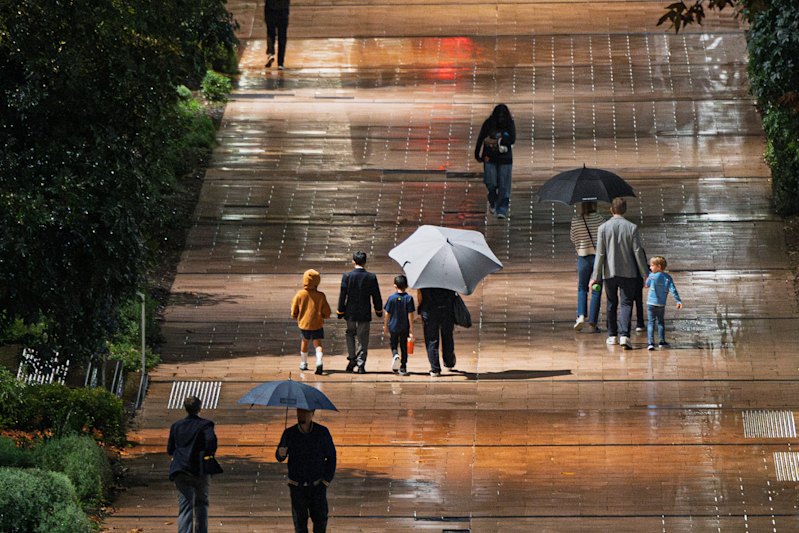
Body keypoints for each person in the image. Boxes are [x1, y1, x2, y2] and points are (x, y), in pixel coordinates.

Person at [590, 197, 648, 349]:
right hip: (628, 272)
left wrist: (595, 277)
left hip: (609, 272)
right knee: (626, 302)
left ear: (611, 210)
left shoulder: (603, 228)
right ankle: (625, 335)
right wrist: (644, 273)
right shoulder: (632, 227)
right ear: (625, 209)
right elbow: (637, 252)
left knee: (611, 303)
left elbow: (600, 254)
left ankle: (612, 335)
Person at [276, 408, 337, 533]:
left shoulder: (321, 433)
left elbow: (331, 457)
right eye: (299, 412)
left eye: (305, 412)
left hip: (317, 486)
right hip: (297, 487)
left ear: (312, 414)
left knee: (320, 521)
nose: (301, 415)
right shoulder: (290, 433)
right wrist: (281, 453)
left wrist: (326, 480)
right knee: (300, 524)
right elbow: (280, 456)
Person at [167, 396, 219, 533]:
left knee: (185, 505)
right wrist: (208, 453)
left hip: (181, 469)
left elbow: (170, 449)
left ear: (185, 408)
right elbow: (211, 441)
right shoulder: (206, 425)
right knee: (202, 503)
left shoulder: (176, 426)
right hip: (200, 468)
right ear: (199, 408)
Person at [337, 251, 383, 373]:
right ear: (365, 262)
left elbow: (343, 295)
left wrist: (340, 310)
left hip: (350, 311)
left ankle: (352, 359)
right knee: (363, 338)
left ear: (353, 261)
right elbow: (376, 295)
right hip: (364, 312)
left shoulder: (347, 276)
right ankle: (361, 363)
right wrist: (378, 309)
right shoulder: (371, 277)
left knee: (350, 334)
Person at [474, 104, 516, 219]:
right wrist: (478, 153)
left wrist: (500, 141)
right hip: (490, 157)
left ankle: (502, 208)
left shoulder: (509, 124)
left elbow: (512, 139)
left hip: (505, 159)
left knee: (504, 185)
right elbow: (481, 137)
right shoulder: (489, 123)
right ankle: (493, 199)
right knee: (491, 182)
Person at [569, 201, 604, 333]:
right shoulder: (600, 219)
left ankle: (581, 315)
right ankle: (593, 323)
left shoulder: (576, 220)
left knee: (582, 287)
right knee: (597, 288)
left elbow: (573, 237)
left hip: (583, 257)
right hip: (597, 257)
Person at [291, 269, 332, 374]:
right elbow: (326, 311)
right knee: (318, 344)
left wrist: (294, 315)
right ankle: (319, 361)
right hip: (317, 323)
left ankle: (304, 363)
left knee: (304, 342)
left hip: (304, 324)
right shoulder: (321, 295)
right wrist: (325, 316)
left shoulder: (300, 294)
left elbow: (294, 308)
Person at [645, 256, 683, 351]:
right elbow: (673, 290)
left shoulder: (651, 276)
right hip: (661, 304)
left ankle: (650, 343)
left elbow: (647, 284)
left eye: (652, 265)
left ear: (658, 266)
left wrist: (648, 277)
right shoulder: (667, 277)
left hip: (650, 303)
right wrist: (678, 301)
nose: (650, 267)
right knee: (660, 322)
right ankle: (661, 341)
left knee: (651, 323)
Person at [417, 287, 456, 376]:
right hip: (446, 308)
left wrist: (420, 309)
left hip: (429, 309)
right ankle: (449, 361)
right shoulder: (448, 275)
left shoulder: (424, 278)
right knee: (447, 335)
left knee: (431, 339)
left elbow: (420, 295)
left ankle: (435, 368)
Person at [383, 274, 415, 376]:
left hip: (393, 326)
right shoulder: (409, 299)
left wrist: (386, 325)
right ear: (406, 286)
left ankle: (395, 354)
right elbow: (410, 315)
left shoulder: (391, 298)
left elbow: (387, 313)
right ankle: (403, 366)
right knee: (404, 346)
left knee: (393, 343)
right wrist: (411, 329)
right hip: (404, 326)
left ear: (395, 286)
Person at [264, 0, 290, 70]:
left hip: (270, 8)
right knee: (282, 36)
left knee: (270, 33)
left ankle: (270, 53)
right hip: (283, 9)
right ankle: (280, 63)